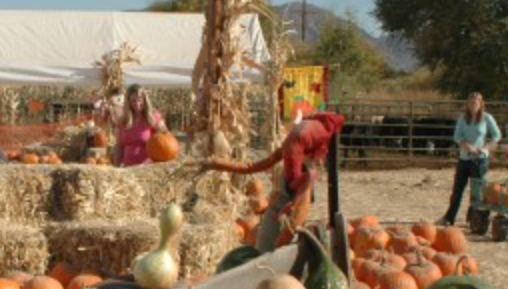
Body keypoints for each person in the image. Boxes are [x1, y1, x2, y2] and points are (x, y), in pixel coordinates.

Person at [202, 112, 345, 252]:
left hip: (281, 217)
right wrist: (217, 164)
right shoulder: (291, 152)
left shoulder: (302, 170)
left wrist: (282, 242)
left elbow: (301, 208)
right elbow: (251, 167)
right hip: (279, 213)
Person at [438, 92, 501, 227]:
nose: (473, 105)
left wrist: (486, 148)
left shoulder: (486, 118)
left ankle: (474, 219)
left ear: (480, 104)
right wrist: (467, 146)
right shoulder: (463, 119)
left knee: (477, 191)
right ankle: (449, 218)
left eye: (476, 103)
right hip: (464, 159)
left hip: (480, 160)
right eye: (471, 102)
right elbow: (457, 137)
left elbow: (497, 136)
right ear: (467, 104)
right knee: (457, 190)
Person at [114, 84, 167, 166]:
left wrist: (162, 128)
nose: (137, 103)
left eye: (140, 100)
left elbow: (164, 141)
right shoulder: (123, 121)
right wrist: (116, 166)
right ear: (128, 102)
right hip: (128, 167)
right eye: (133, 100)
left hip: (148, 167)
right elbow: (119, 146)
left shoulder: (153, 118)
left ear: (145, 100)